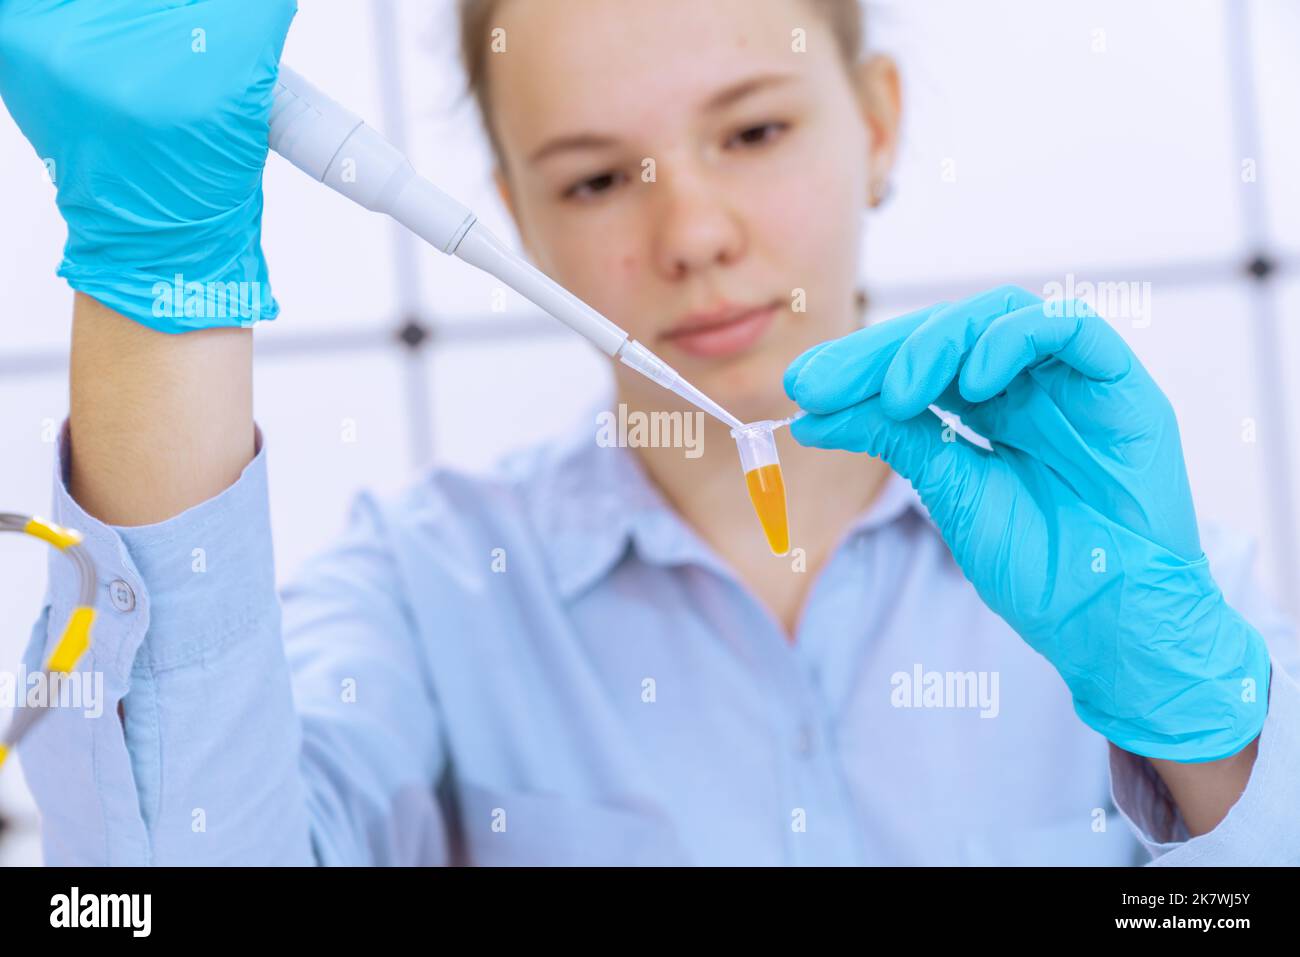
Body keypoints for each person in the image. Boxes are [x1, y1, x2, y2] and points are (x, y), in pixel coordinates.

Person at [2, 0, 1296, 866]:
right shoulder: (431, 590)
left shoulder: (1136, 571)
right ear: (513, 210)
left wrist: (1214, 747)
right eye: (596, 176)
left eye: (754, 130)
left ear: (881, 123)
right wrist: (159, 265)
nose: (692, 237)